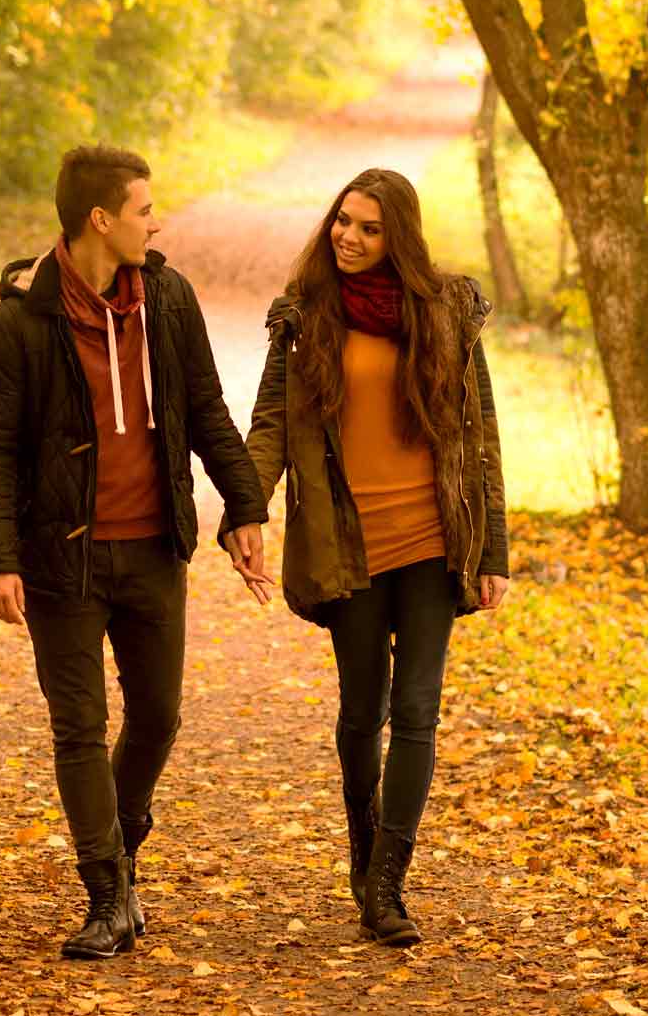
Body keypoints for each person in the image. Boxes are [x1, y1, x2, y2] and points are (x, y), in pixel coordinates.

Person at [0, 144, 269, 960]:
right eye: (143, 209)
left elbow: (207, 408)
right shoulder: (19, 323)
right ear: (101, 219)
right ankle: (106, 896)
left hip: (153, 550)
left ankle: (120, 848)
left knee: (159, 716)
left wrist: (246, 506)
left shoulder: (169, 300)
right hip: (62, 558)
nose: (155, 221)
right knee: (79, 730)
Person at [225, 167, 509, 947]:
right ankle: (364, 838)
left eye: (369, 228)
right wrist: (244, 511)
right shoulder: (306, 313)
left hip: (430, 538)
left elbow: (480, 437)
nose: (348, 236)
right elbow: (272, 423)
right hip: (348, 546)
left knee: (418, 710)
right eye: (342, 221)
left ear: (400, 238)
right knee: (364, 713)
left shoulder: (449, 311)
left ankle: (386, 883)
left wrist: (497, 550)